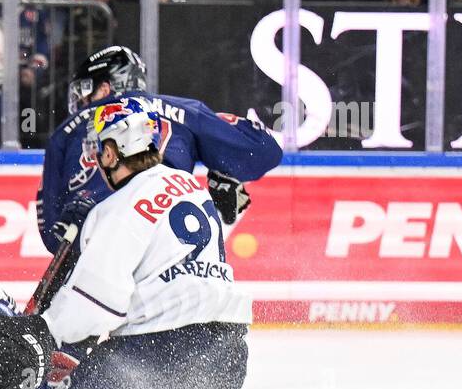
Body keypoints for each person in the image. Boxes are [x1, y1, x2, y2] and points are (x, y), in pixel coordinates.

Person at [40, 98, 252, 389]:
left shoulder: (117, 208)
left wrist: (43, 337)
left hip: (156, 352)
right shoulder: (190, 186)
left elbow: (94, 304)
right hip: (228, 357)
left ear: (112, 152)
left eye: (99, 150)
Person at [37, 46, 284, 256]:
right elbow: (264, 152)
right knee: (218, 193)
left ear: (104, 88)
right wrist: (224, 169)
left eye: (84, 94)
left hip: (99, 252)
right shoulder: (184, 110)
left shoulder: (65, 132)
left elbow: (52, 233)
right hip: (172, 248)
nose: (82, 104)